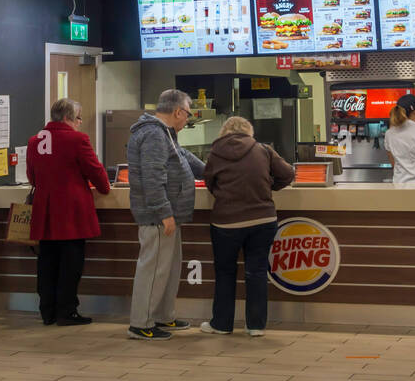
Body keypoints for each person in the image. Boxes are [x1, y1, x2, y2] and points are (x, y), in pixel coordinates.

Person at [201, 117, 294, 337]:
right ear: (248, 132)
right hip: (262, 220)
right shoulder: (263, 149)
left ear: (224, 132)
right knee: (257, 271)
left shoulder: (215, 153)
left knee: (225, 272)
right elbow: (288, 174)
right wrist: (270, 186)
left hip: (226, 221)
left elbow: (209, 182)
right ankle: (255, 326)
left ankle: (222, 325)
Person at [126, 89, 205, 340]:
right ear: (178, 111)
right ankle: (141, 323)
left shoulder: (165, 134)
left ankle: (162, 316)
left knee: (168, 270)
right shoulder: (153, 134)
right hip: (158, 217)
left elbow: (185, 160)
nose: (187, 120)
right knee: (154, 270)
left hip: (169, 215)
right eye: (188, 114)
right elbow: (152, 177)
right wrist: (164, 212)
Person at [25, 98, 110, 326]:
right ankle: (66, 311)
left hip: (45, 210)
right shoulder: (77, 139)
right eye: (79, 118)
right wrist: (104, 188)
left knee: (47, 262)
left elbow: (31, 176)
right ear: (67, 118)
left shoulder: (35, 140)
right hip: (71, 211)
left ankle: (48, 311)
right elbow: (96, 172)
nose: (80, 123)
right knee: (71, 264)